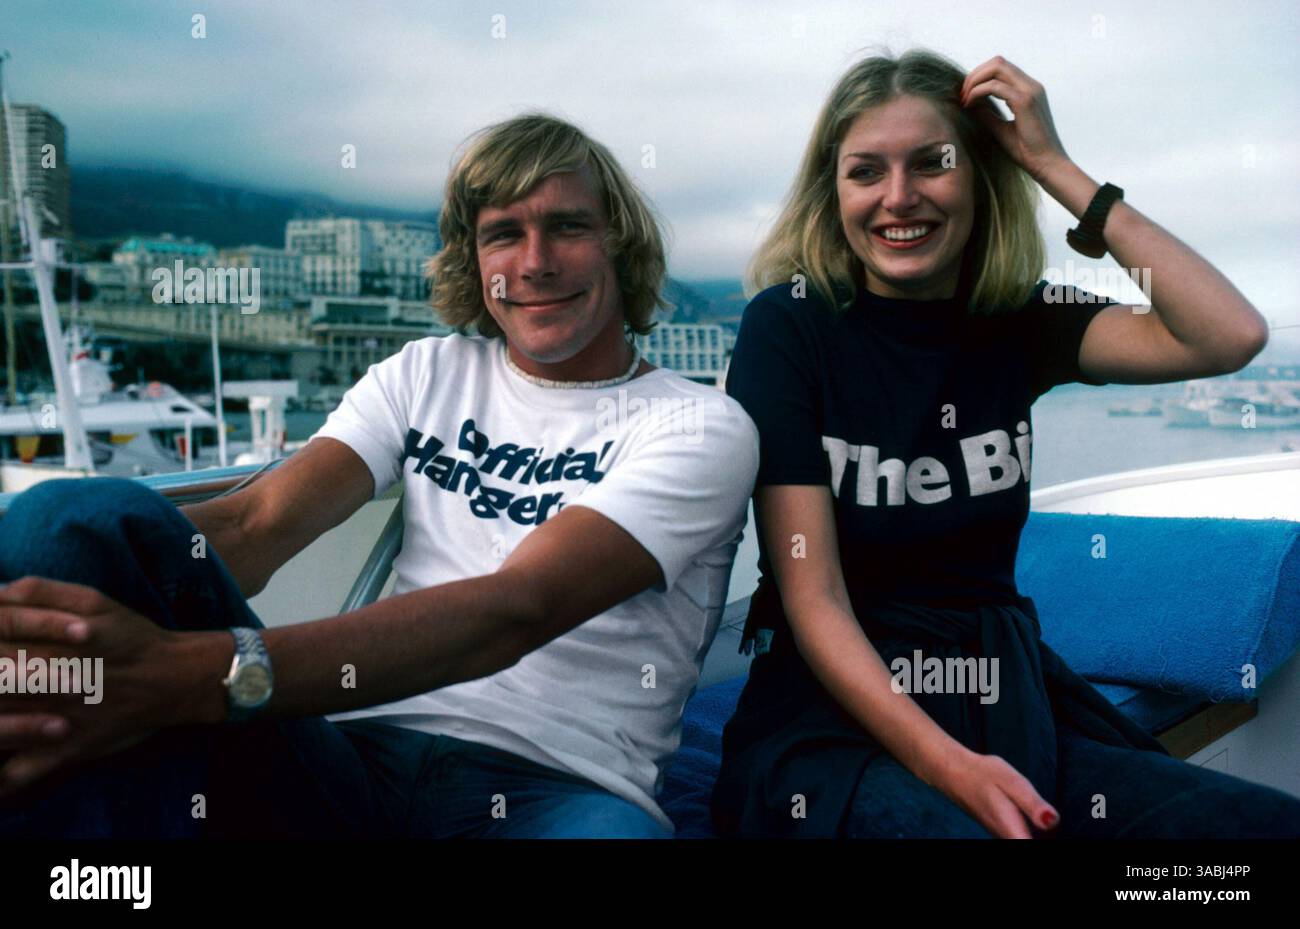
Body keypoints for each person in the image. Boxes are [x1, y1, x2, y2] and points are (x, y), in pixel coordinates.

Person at [0, 113, 759, 839]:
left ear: (619, 247)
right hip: (348, 760)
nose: (535, 262)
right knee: (67, 519)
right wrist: (118, 602)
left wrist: (183, 675)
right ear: (477, 263)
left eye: (567, 225)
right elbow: (256, 523)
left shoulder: (698, 424)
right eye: (503, 235)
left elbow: (518, 606)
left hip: (560, 789)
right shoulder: (426, 372)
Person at [709, 48, 1300, 839]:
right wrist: (951, 766)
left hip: (997, 691)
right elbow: (814, 599)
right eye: (865, 172)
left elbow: (1229, 334)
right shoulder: (790, 325)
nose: (898, 197)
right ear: (832, 191)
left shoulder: (1018, 316)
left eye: (933, 164)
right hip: (827, 720)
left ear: (981, 176)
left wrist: (1049, 162)